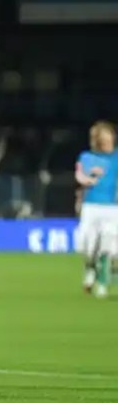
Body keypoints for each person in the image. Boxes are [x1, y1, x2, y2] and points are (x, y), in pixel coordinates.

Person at [77, 121, 117, 297]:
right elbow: (79, 174)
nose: (110, 143)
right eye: (106, 140)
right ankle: (90, 269)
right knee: (89, 246)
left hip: (112, 207)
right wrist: (87, 180)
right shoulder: (86, 157)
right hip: (91, 207)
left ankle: (102, 282)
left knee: (108, 246)